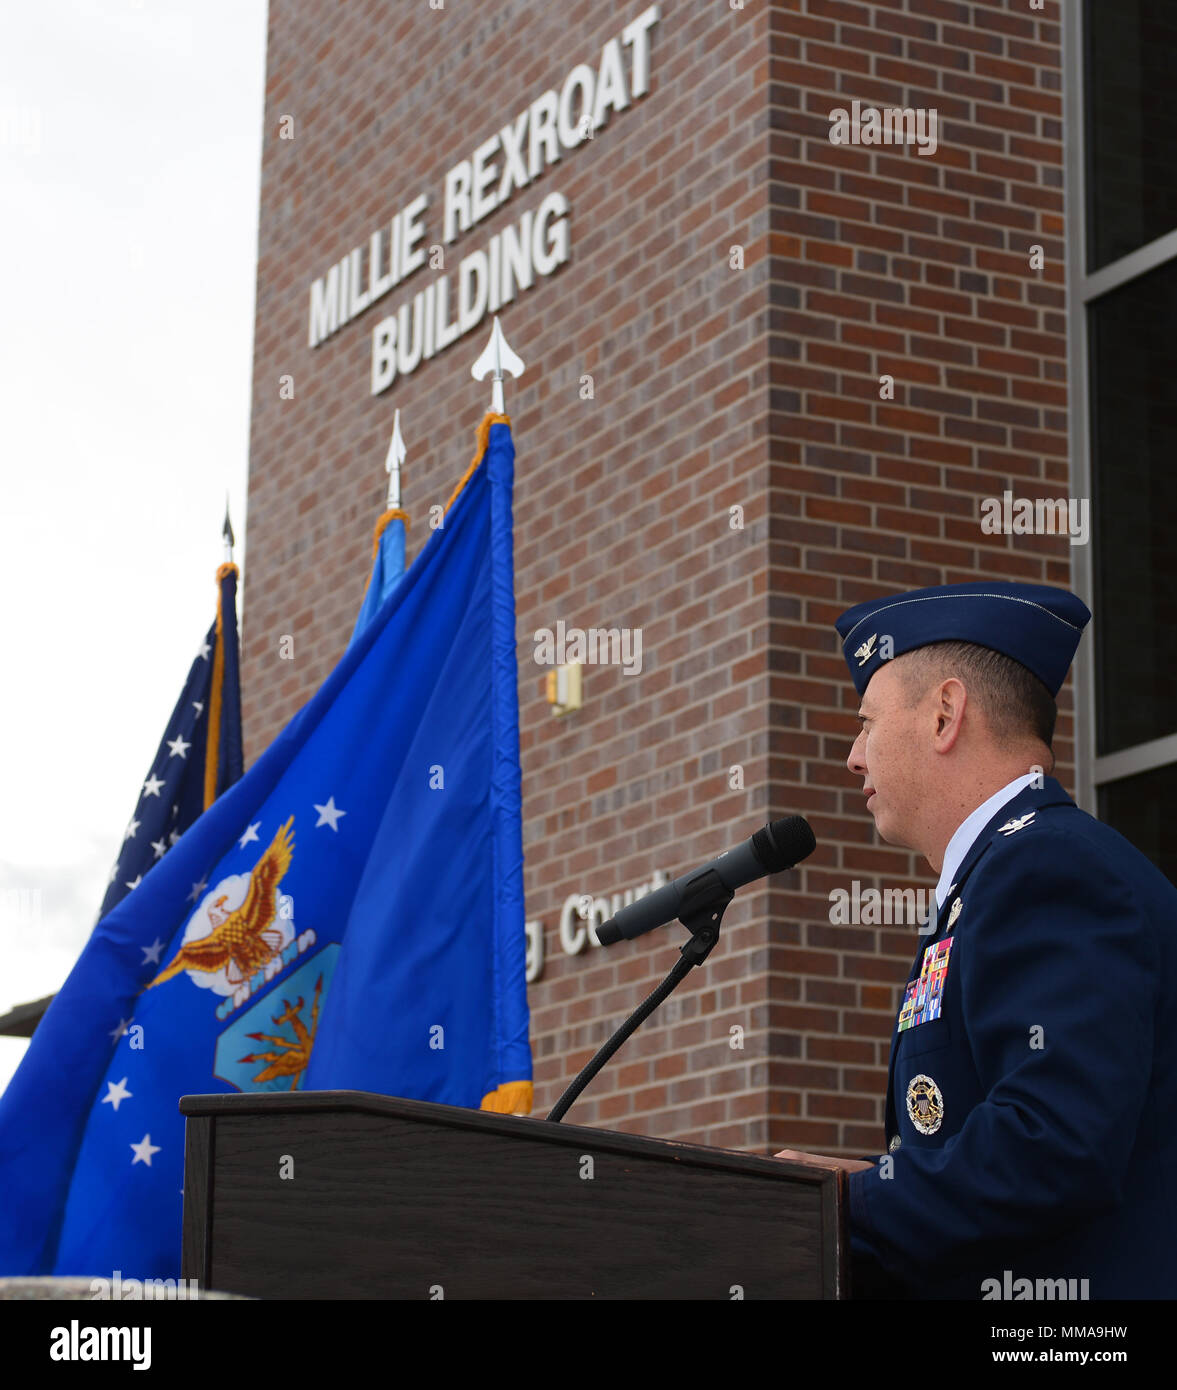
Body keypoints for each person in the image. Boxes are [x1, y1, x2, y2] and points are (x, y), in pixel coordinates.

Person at [775, 580, 1177, 1299]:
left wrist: (849, 1200)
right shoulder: (1000, 873)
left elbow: (1051, 1145)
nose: (853, 758)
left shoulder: (1046, 865)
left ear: (944, 715)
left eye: (866, 723)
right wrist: (865, 1189)